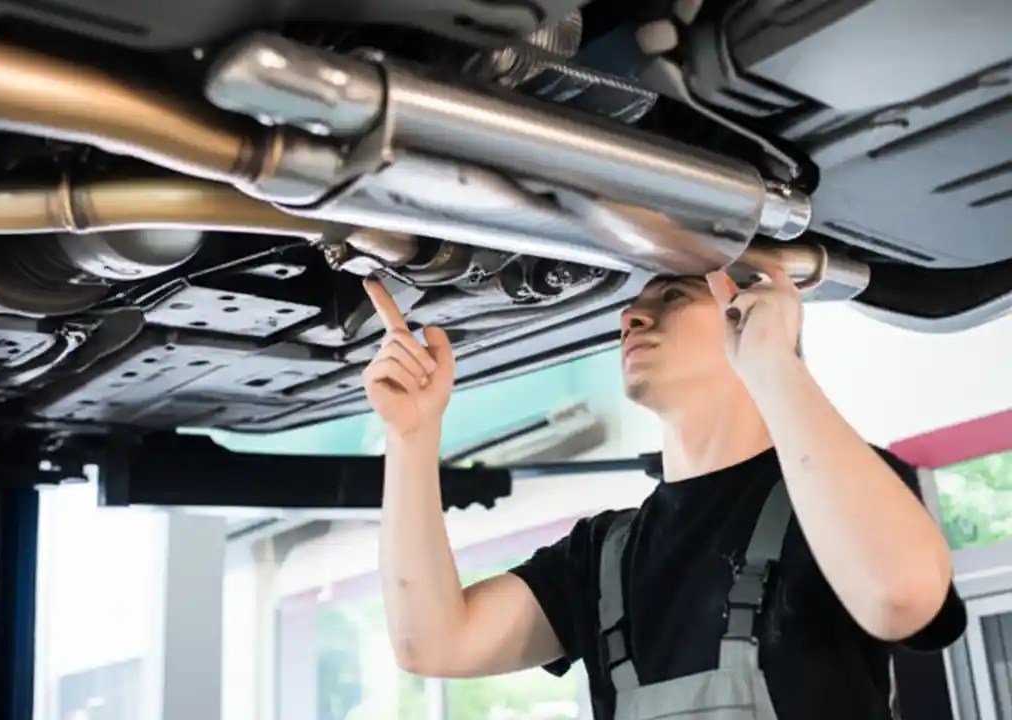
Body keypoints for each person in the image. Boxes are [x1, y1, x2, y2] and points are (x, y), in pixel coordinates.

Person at [362, 268, 966, 719]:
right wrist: (412, 438)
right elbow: (433, 642)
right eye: (632, 306)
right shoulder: (602, 555)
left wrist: (774, 361)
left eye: (673, 295)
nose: (631, 317)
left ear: (749, 311)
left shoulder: (838, 495)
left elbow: (902, 594)